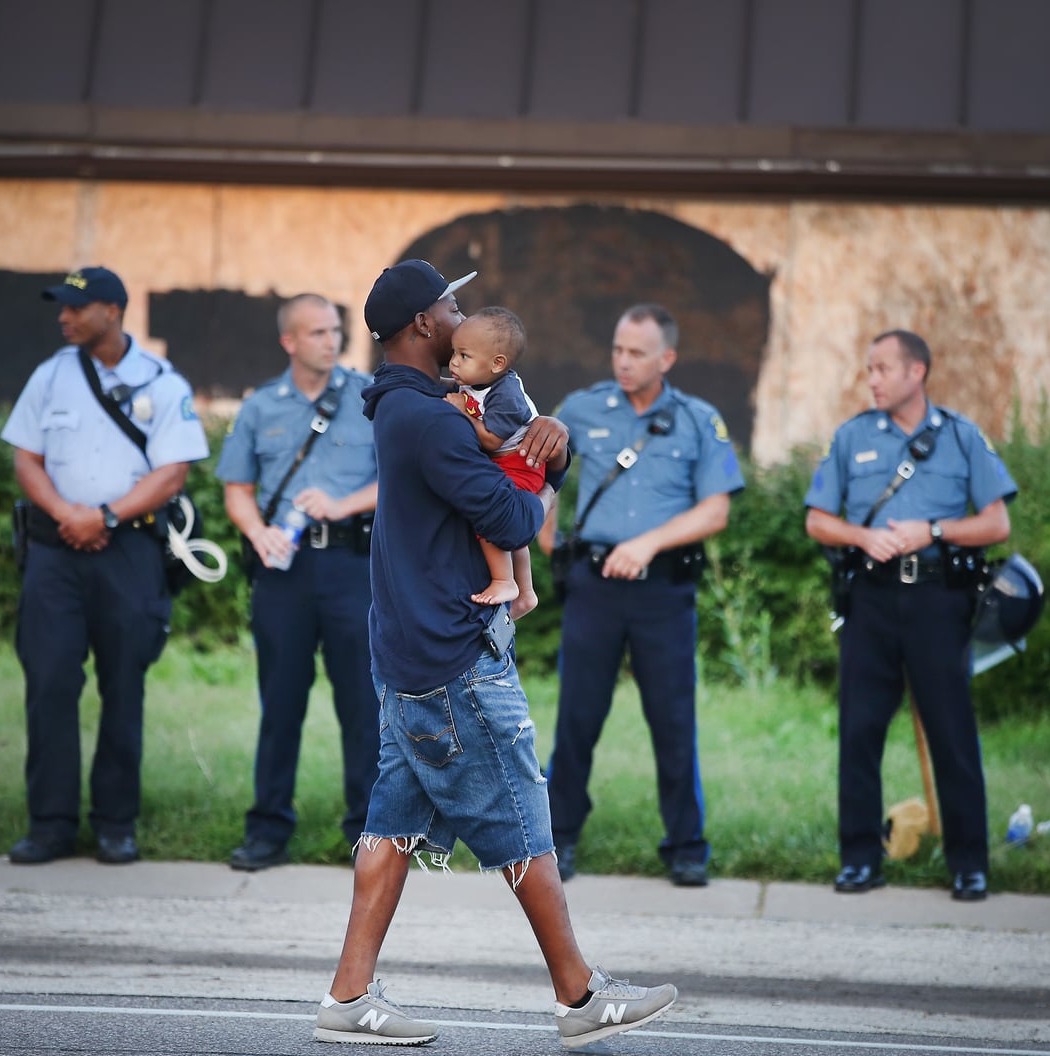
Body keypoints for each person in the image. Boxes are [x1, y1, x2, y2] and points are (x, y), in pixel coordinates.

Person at [313, 259, 676, 1049]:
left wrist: (550, 448)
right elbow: (514, 521)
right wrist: (547, 466)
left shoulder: (406, 406)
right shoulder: (433, 422)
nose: (461, 310)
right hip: (452, 656)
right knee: (521, 817)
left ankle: (348, 996)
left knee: (392, 822)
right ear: (423, 324)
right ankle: (580, 995)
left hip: (408, 650)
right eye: (450, 302)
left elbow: (501, 484)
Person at [0, 266, 208, 866]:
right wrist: (68, 513)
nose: (63, 317)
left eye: (76, 307)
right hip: (54, 551)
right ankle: (50, 824)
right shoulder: (50, 375)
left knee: (123, 686)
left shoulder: (162, 382)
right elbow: (27, 459)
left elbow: (173, 473)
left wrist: (107, 517)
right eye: (61, 307)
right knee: (49, 683)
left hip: (129, 552)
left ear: (112, 311)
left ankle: (116, 824)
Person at [803, 329, 1016, 903]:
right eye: (869, 369)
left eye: (882, 368)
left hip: (938, 600)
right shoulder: (851, 437)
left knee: (952, 732)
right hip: (870, 600)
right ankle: (859, 859)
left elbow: (997, 523)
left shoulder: (961, 437)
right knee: (860, 731)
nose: (871, 379)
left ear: (916, 372)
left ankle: (969, 864)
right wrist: (863, 537)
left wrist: (934, 530)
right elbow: (818, 520)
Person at [539, 303, 744, 888]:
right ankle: (558, 838)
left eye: (637, 353)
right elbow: (540, 475)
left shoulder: (698, 421)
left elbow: (715, 510)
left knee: (672, 721)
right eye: (618, 350)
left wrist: (649, 543)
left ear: (667, 358)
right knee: (578, 718)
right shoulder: (582, 409)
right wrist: (549, 541)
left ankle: (685, 845)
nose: (623, 362)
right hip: (594, 588)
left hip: (663, 592)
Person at [217, 293, 379, 871]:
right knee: (280, 702)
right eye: (317, 333)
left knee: (362, 703)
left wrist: (342, 505)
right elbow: (237, 489)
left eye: (335, 330)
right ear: (289, 341)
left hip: (351, 566)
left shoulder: (371, 397)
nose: (331, 341)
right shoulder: (261, 406)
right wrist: (257, 533)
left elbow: (401, 479)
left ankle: (369, 835)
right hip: (282, 571)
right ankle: (267, 831)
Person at [443, 306, 543, 617]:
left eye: (464, 355)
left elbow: (491, 440)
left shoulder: (507, 395)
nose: (454, 362)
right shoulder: (478, 378)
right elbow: (457, 390)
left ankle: (504, 581)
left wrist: (462, 413)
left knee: (491, 514)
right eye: (454, 353)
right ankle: (526, 593)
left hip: (522, 462)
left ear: (497, 363)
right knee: (509, 528)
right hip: (508, 461)